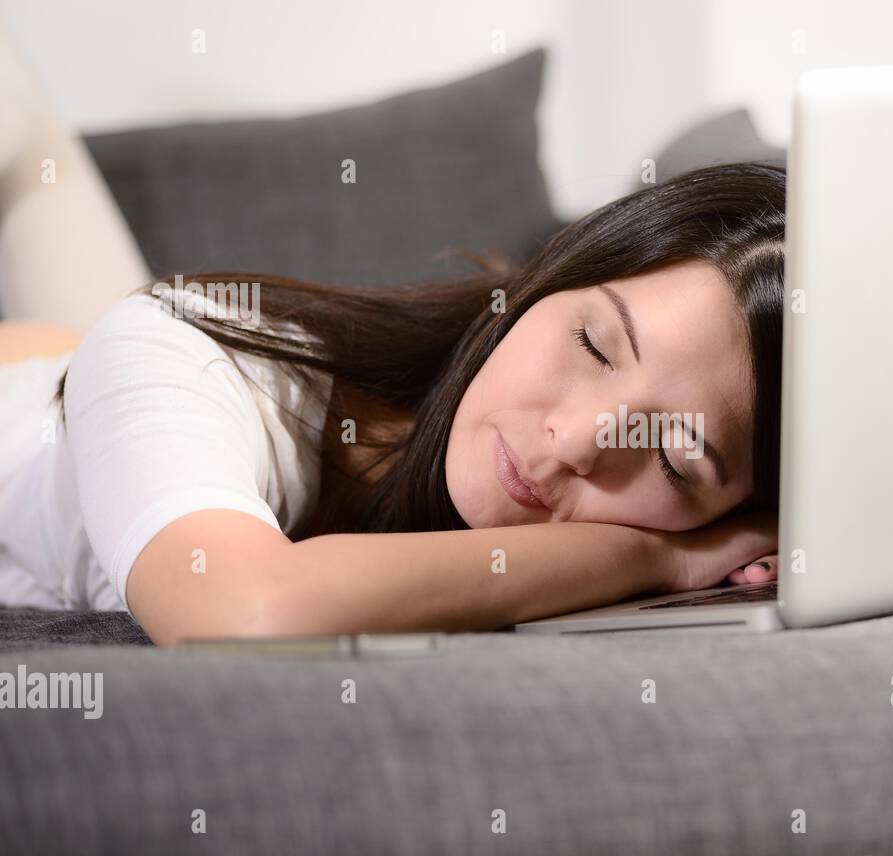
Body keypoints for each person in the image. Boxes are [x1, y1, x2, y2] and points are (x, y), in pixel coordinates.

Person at [0, 26, 782, 647]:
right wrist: (663, 558)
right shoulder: (181, 353)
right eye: (594, 344)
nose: (577, 438)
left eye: (676, 459)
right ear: (545, 282)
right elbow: (242, 613)